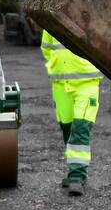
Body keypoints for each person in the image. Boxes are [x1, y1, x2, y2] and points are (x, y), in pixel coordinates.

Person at [40, 30, 101, 194]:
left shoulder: (88, 15)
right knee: (67, 127)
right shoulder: (50, 21)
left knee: (80, 128)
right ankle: (74, 170)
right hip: (60, 84)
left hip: (86, 83)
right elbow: (46, 48)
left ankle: (77, 177)